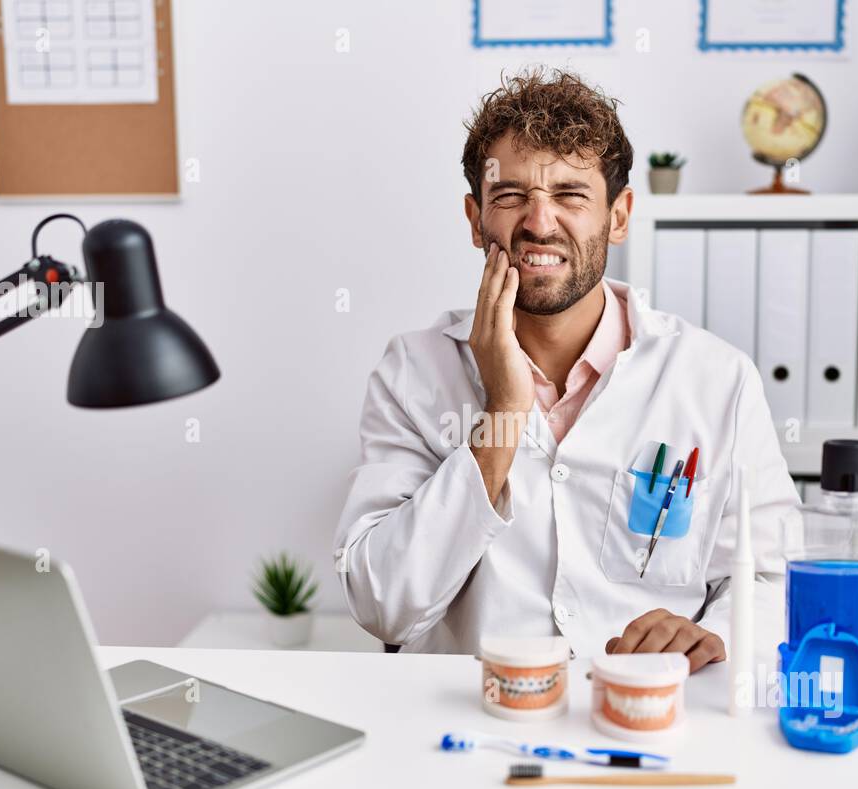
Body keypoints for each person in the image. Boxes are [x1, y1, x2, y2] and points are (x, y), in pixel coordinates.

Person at [334, 67, 798, 671]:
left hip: (646, 711)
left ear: (620, 216)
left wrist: (717, 638)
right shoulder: (413, 372)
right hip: (468, 722)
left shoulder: (715, 379)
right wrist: (502, 415)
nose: (539, 222)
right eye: (510, 196)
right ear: (476, 220)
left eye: (571, 195)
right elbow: (382, 604)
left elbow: (773, 578)